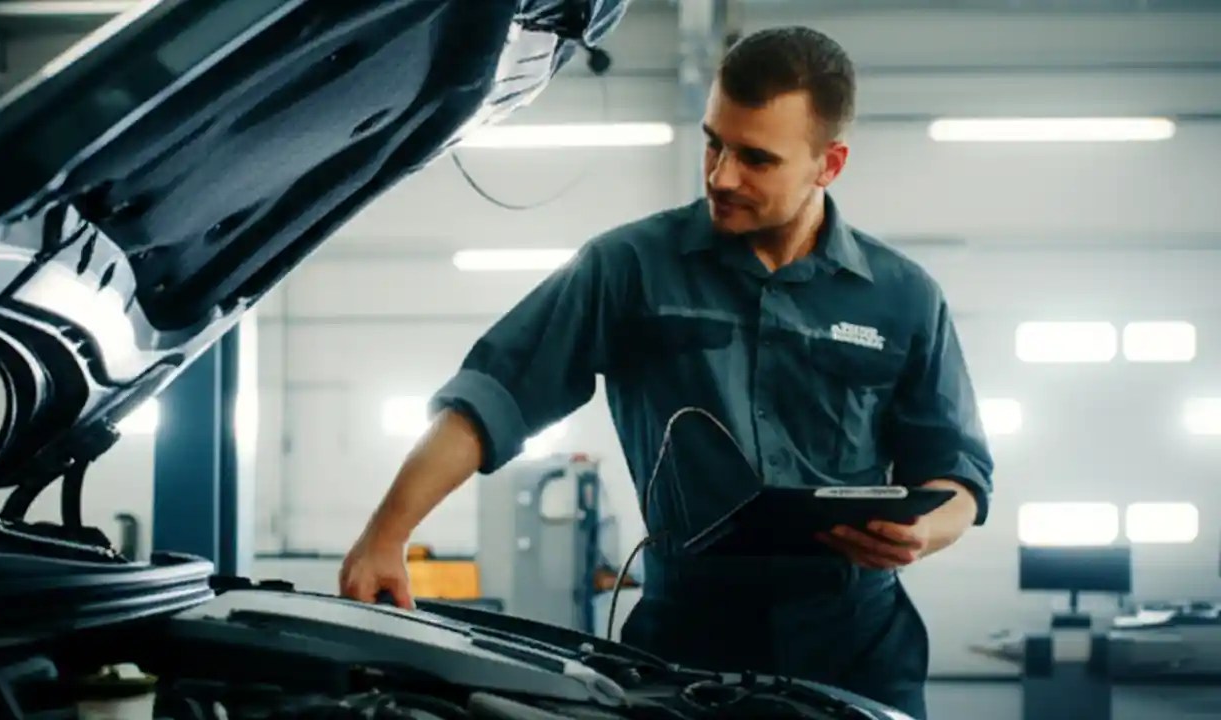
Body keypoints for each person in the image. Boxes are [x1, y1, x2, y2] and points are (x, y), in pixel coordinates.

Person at [340, 25, 993, 719]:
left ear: (828, 164)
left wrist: (925, 531)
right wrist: (387, 532)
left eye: (756, 158)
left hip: (857, 649)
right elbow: (492, 396)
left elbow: (957, 473)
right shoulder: (630, 270)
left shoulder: (904, 297)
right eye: (714, 142)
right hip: (687, 646)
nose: (720, 176)